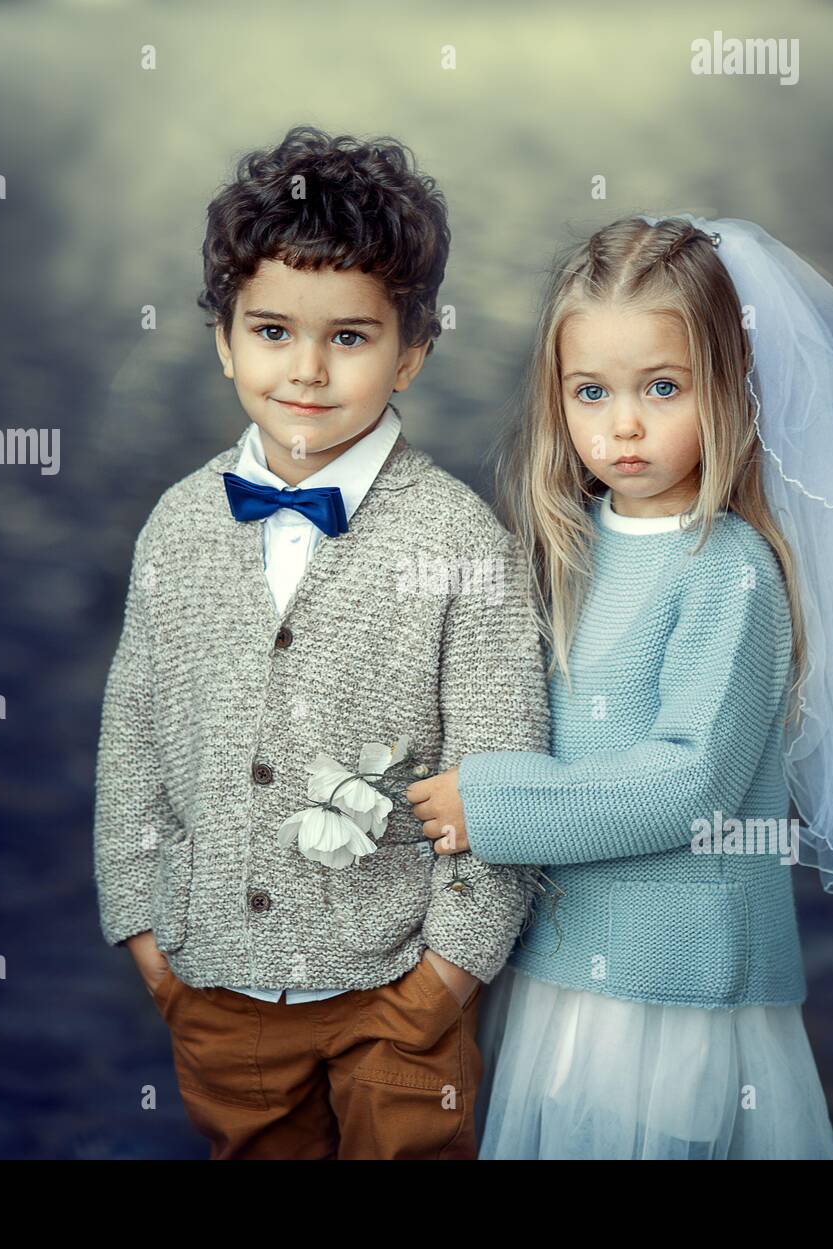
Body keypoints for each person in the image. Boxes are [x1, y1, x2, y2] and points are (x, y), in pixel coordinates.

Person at [406, 213, 833, 1159]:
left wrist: (489, 803)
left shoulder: (731, 571)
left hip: (675, 980)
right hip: (565, 962)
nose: (623, 424)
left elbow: (690, 784)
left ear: (731, 390)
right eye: (591, 392)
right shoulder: (564, 547)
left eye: (663, 387)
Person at [92, 125, 551, 1159]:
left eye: (349, 336)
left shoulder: (457, 541)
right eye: (270, 331)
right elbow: (134, 737)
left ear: (412, 352)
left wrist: (450, 970)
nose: (305, 369)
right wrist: (149, 935)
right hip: (218, 981)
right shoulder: (176, 525)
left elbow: (503, 769)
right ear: (222, 340)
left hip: (399, 990)